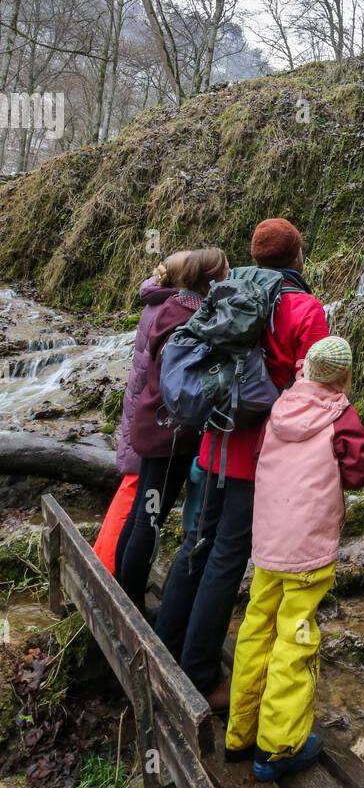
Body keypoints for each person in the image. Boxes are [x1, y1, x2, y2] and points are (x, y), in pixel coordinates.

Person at [155, 218, 329, 709]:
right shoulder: (304, 308)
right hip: (259, 458)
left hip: (214, 442)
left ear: (254, 258)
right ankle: (200, 675)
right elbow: (312, 396)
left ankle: (166, 647)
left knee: (197, 545)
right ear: (297, 257)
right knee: (228, 558)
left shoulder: (228, 293)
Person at [226, 335, 364, 780]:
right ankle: (278, 747)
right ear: (344, 379)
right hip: (309, 550)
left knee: (256, 628)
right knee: (296, 639)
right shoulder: (341, 416)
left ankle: (240, 733)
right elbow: (360, 471)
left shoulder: (281, 407)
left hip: (269, 545)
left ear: (305, 370)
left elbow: (259, 458)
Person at [114, 247, 229, 612]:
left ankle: (121, 587)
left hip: (153, 424)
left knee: (140, 514)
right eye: (227, 271)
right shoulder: (192, 320)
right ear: (212, 279)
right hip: (170, 436)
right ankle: (130, 601)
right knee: (150, 517)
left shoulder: (171, 306)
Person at [94, 268, 189, 575]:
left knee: (133, 493)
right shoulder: (171, 309)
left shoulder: (155, 303)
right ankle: (108, 569)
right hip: (153, 417)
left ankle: (106, 563)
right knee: (138, 500)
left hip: (140, 409)